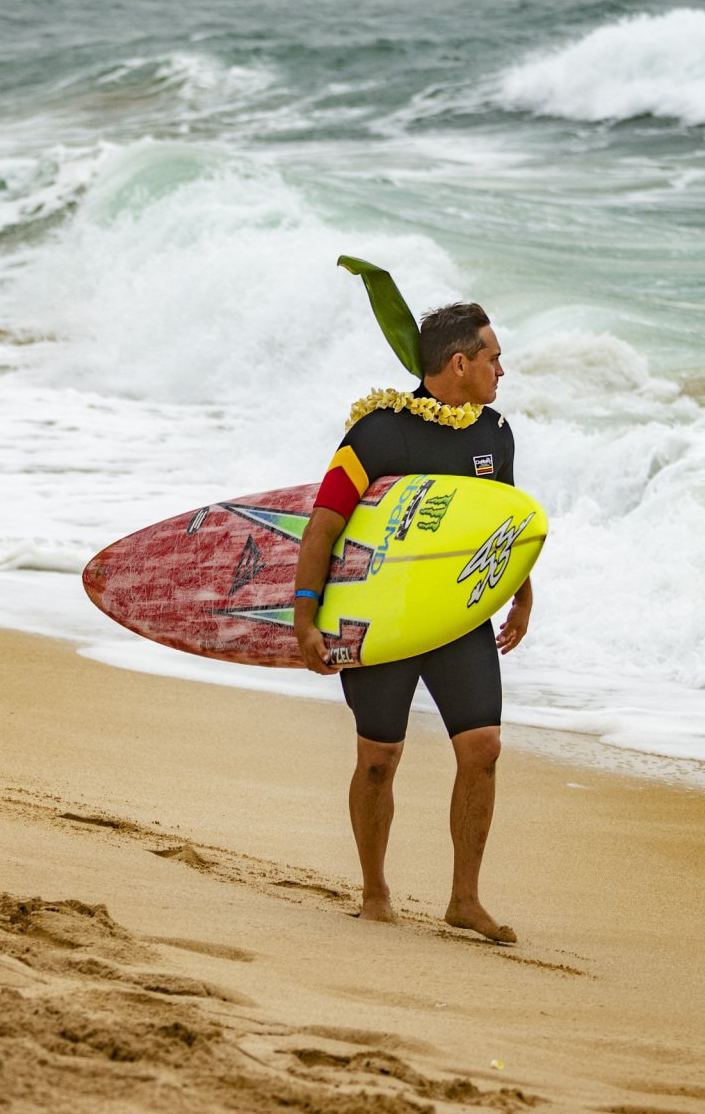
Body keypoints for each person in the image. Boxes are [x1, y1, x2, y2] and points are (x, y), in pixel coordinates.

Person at [293, 302, 532, 944]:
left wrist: (522, 592)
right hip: (382, 625)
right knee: (379, 758)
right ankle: (374, 890)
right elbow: (324, 524)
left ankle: (465, 899)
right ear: (460, 363)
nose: (502, 370)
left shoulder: (495, 433)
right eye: (492, 358)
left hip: (458, 619)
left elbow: (502, 524)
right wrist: (305, 615)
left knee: (482, 749)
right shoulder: (377, 434)